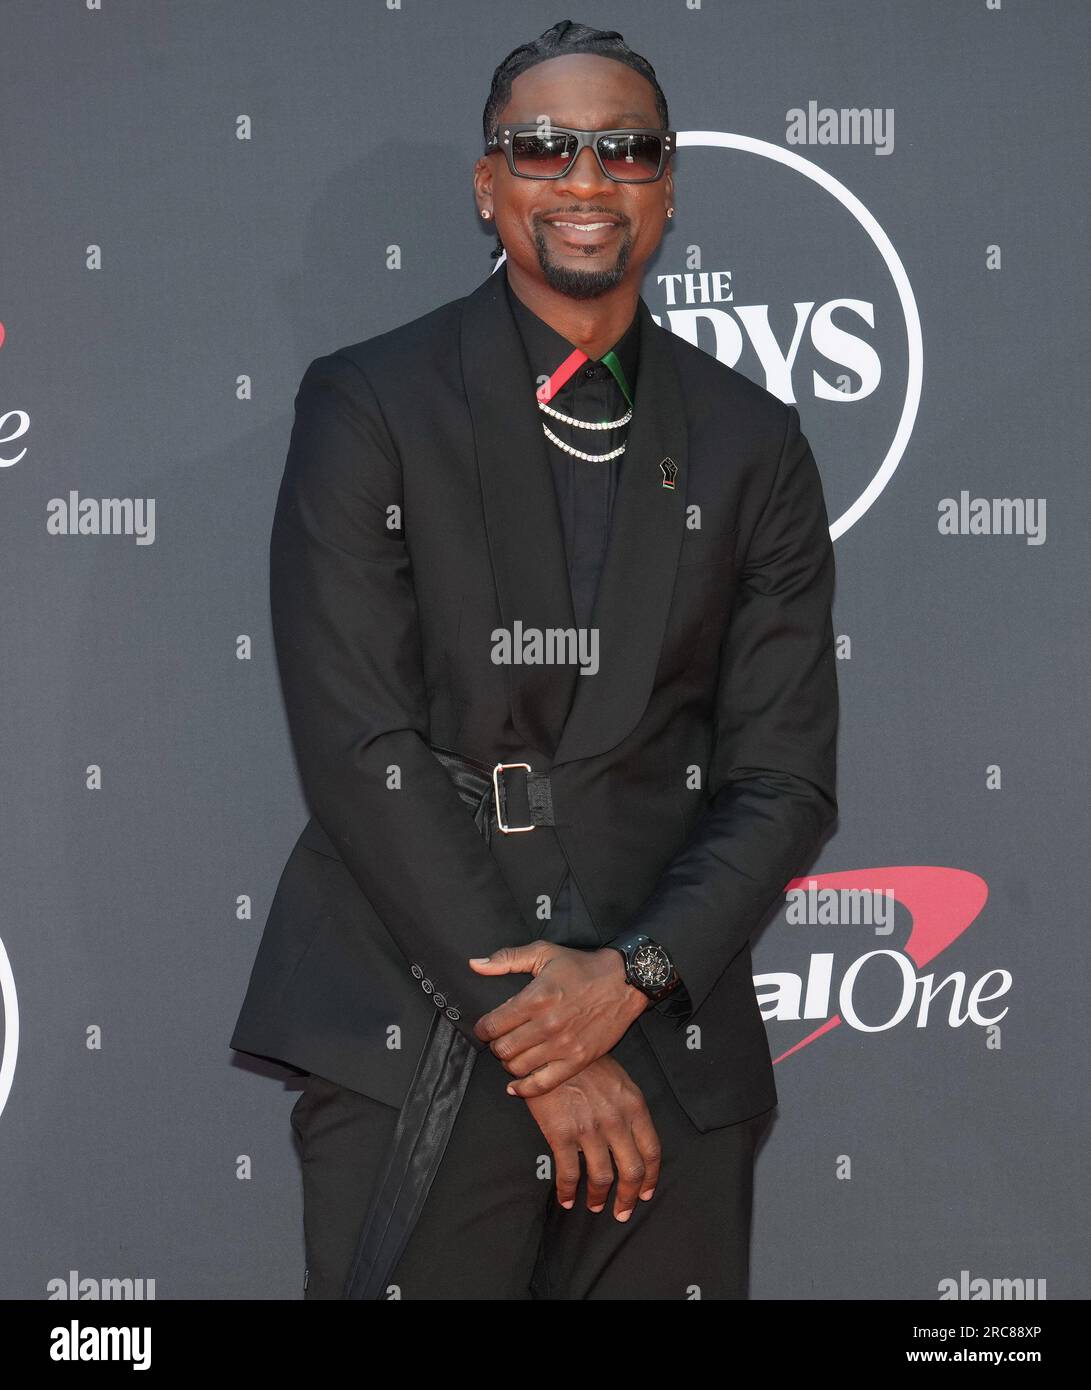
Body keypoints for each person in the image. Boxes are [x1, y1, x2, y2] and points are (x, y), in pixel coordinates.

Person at [229, 18, 839, 1301]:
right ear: (487, 184)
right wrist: (548, 1043)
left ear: (667, 192)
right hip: (413, 1025)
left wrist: (627, 982)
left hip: (667, 1035)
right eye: (542, 146)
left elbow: (780, 780)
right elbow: (362, 745)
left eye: (623, 149)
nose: (583, 178)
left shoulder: (750, 442)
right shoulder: (370, 403)